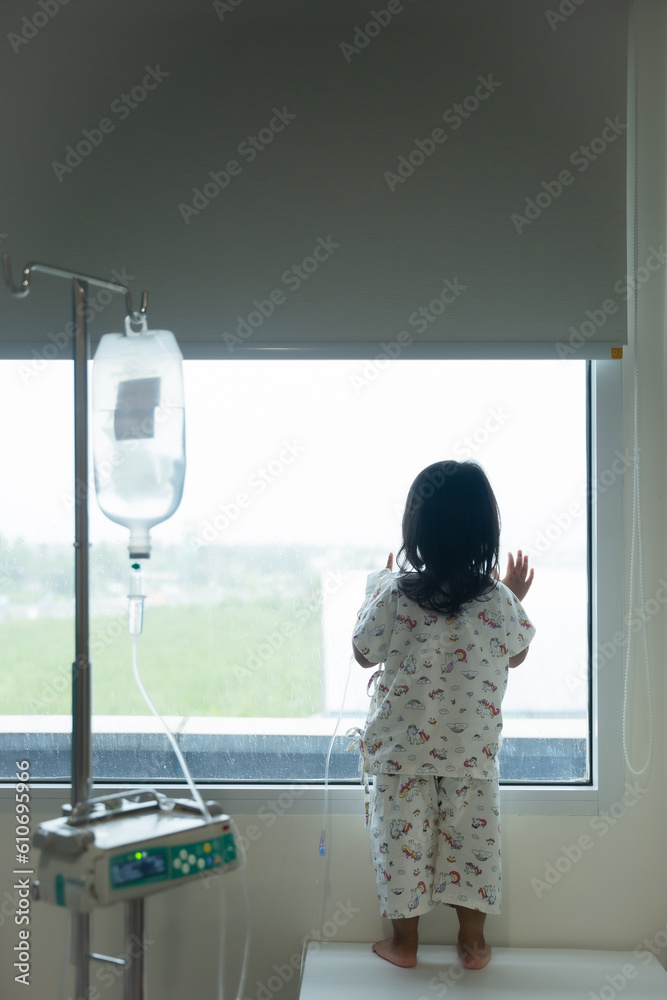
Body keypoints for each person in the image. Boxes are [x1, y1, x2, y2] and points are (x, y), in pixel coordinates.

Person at [350, 460, 535, 971]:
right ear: (486, 533)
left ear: (416, 531)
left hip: (401, 756)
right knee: (474, 847)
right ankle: (473, 944)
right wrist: (512, 599)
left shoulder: (394, 594)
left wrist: (375, 587)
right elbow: (514, 654)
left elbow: (364, 653)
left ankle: (404, 944)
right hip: (470, 755)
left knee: (401, 845)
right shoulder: (498, 601)